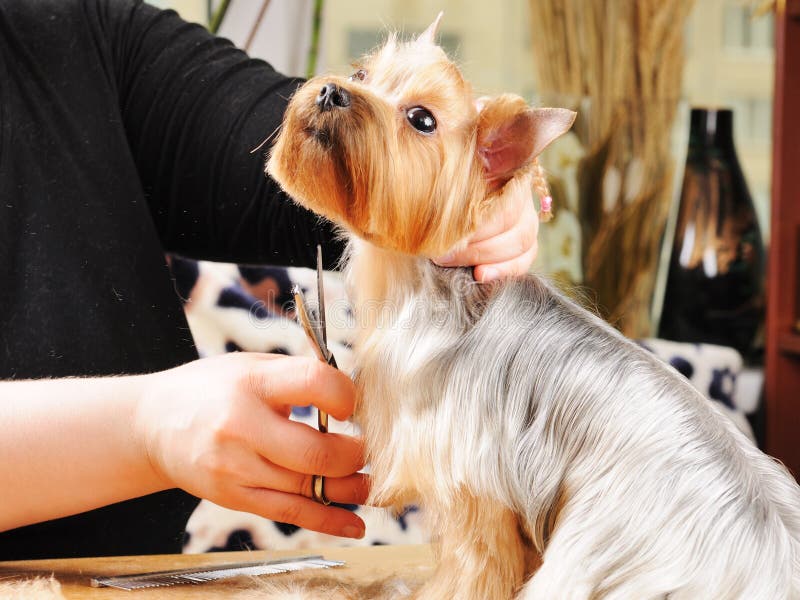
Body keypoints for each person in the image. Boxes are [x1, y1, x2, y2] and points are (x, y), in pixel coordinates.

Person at [0, 0, 540, 560]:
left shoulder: (70, 31)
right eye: (359, 74)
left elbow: (283, 143)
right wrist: (143, 427)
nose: (344, 87)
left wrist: (485, 179)